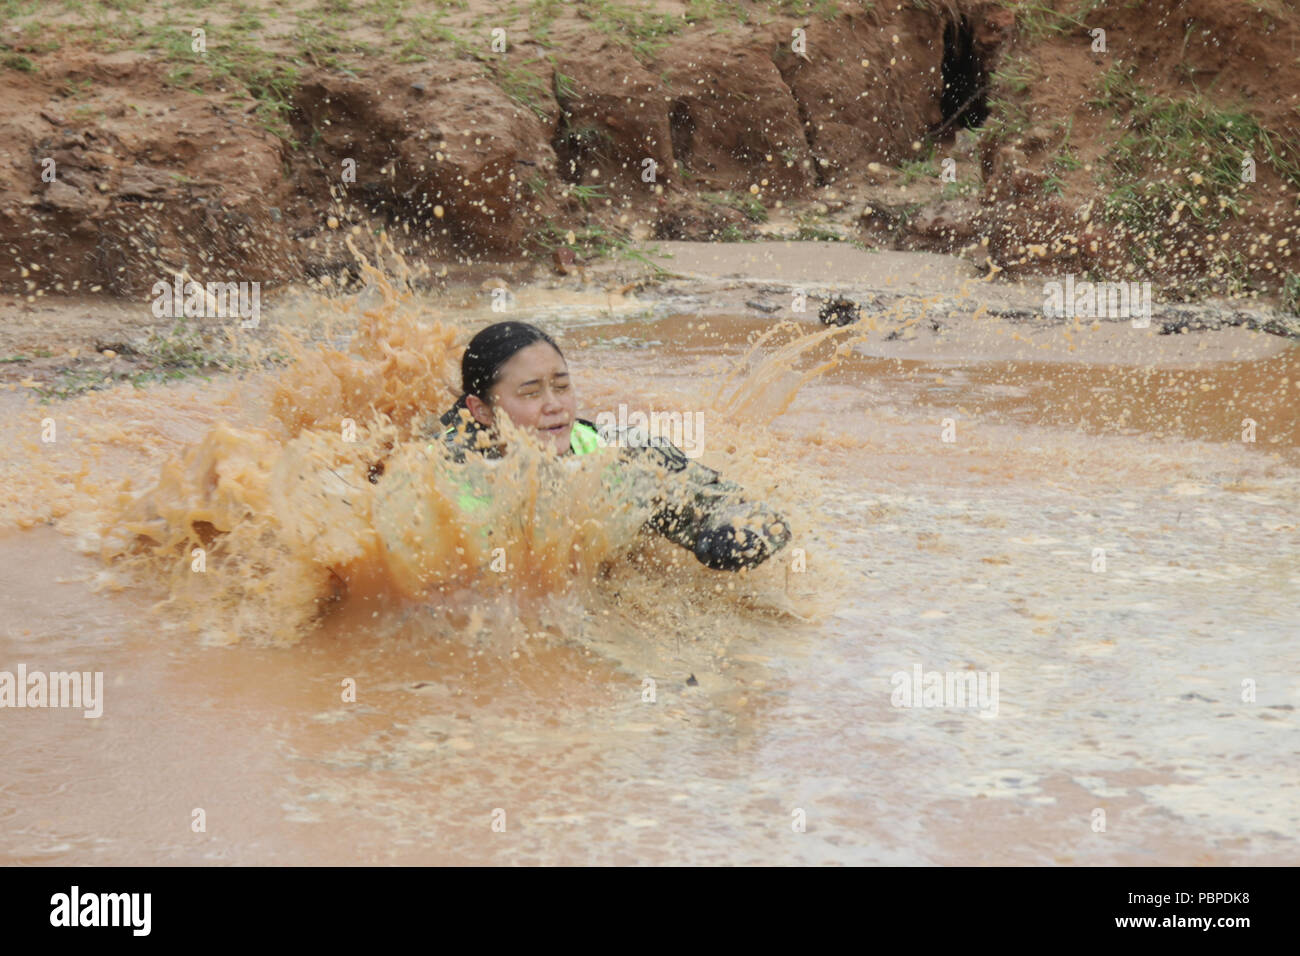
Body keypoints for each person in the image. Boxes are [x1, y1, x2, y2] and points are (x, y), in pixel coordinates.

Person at [425, 320, 791, 572]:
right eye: (531, 392)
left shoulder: (618, 451)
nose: (555, 405)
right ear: (482, 410)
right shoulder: (445, 473)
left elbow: (740, 506)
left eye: (562, 386)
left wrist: (734, 534)